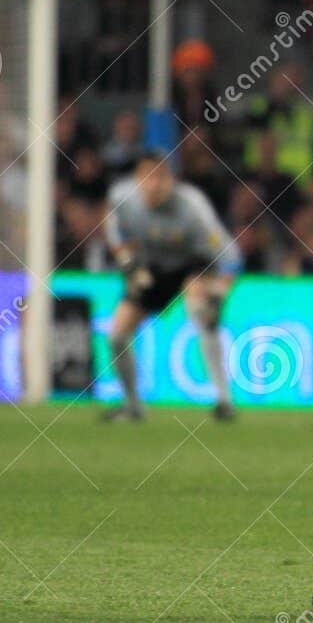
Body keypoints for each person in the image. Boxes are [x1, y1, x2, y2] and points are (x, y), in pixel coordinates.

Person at [102, 150, 241, 422]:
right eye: (147, 177)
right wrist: (127, 261)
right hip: (152, 268)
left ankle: (224, 401)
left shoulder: (193, 207)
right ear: (137, 178)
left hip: (193, 264)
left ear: (172, 180)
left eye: (160, 177)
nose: (153, 185)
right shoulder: (122, 198)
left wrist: (218, 295)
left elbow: (231, 256)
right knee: (117, 335)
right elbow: (113, 228)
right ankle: (132, 406)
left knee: (200, 310)